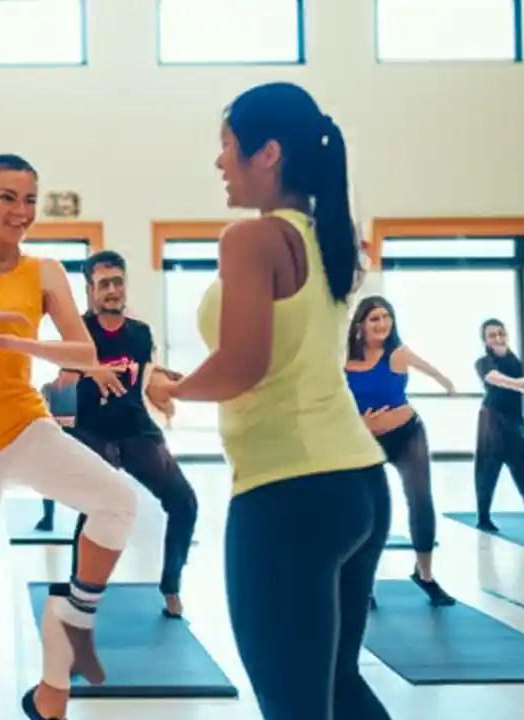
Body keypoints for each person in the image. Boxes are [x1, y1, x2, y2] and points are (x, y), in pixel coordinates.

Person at [147, 82, 392, 720]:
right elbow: (279, 357)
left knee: (296, 706)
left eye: (227, 147)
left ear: (268, 154)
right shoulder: (328, 237)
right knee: (339, 691)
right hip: (360, 483)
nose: (219, 163)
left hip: (290, 495)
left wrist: (170, 387)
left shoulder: (250, 241)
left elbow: (243, 366)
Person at [0, 153, 138, 720]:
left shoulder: (45, 271)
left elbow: (83, 351)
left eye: (30, 199)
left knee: (118, 502)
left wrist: (19, 345)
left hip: (23, 425)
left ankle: (72, 623)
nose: (21, 211)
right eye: (8, 197)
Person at [58, 250, 198, 619]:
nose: (112, 290)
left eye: (118, 282)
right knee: (95, 508)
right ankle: (79, 591)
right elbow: (63, 383)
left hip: (135, 430)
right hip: (92, 432)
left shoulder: (140, 334)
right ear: (90, 291)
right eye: (104, 284)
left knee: (184, 501)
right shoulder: (78, 334)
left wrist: (163, 392)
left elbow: (144, 379)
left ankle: (171, 586)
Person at [345, 295, 456, 605]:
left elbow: (432, 370)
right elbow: (330, 397)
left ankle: (425, 575)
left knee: (421, 500)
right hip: (365, 440)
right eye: (375, 318)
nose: (383, 324)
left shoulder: (397, 354)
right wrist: (356, 421)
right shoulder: (344, 360)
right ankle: (363, 582)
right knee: (369, 511)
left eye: (386, 317)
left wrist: (447, 383)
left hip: (408, 436)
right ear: (360, 325)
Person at [473, 318, 524, 531]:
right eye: (492, 335)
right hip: (492, 420)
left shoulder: (517, 361)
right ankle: (483, 516)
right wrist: (518, 384)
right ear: (486, 341)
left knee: (523, 466)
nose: (497, 338)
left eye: (500, 333)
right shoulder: (483, 362)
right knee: (488, 467)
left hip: (515, 420)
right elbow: (494, 378)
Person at [33, 377, 77, 532]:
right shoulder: (79, 390)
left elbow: (42, 415)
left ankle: (48, 519)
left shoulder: (49, 388)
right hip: (74, 439)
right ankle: (48, 519)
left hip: (57, 438)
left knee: (49, 480)